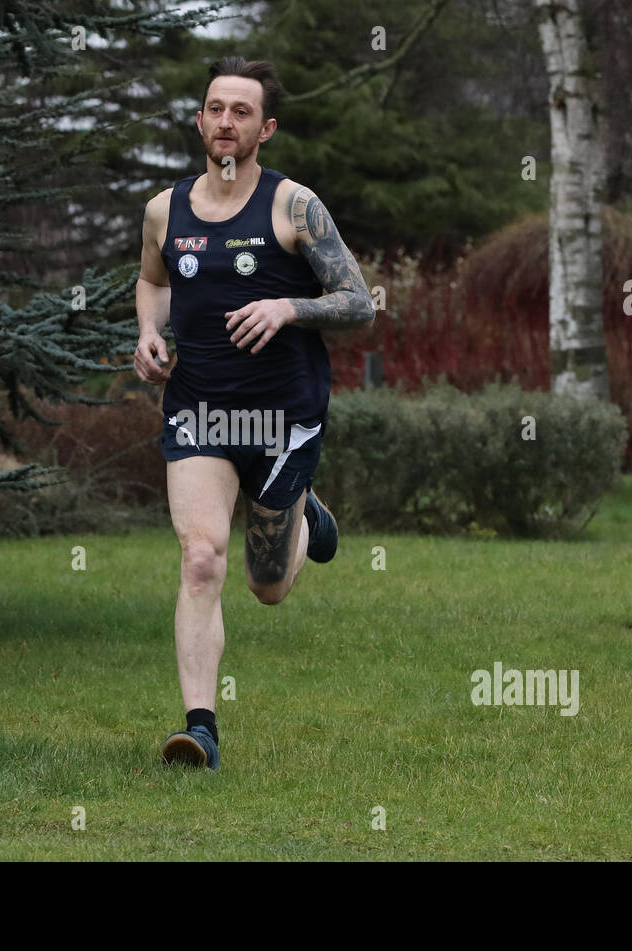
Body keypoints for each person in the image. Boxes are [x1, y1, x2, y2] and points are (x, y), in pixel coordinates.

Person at [133, 57, 375, 771]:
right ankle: (200, 730)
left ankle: (302, 512)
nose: (226, 122)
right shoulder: (163, 211)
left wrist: (288, 306)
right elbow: (150, 282)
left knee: (266, 588)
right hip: (200, 411)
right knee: (201, 557)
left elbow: (359, 301)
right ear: (200, 120)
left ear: (265, 128)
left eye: (242, 111)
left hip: (282, 417)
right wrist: (148, 332)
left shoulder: (293, 207)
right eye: (215, 108)